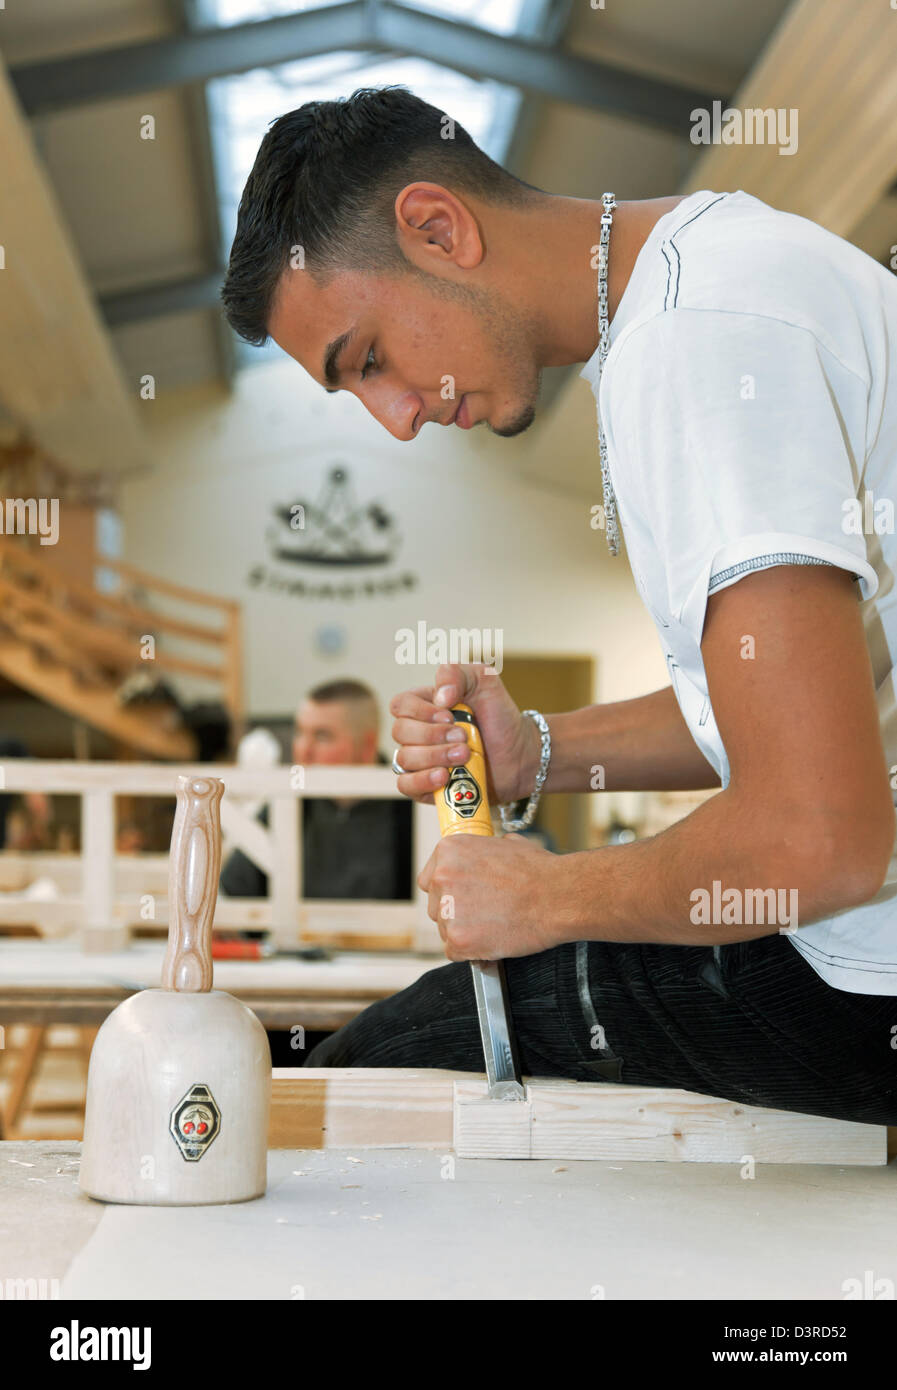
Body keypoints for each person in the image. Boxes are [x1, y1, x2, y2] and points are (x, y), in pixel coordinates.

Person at [219, 88, 897, 1125]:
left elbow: (820, 835)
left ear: (438, 228)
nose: (397, 421)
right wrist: (537, 749)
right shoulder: (718, 269)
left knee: (354, 1091)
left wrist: (544, 895)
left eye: (368, 360)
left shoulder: (696, 343)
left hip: (862, 980)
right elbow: (798, 706)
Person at [219, 678, 412, 902]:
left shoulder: (411, 811)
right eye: (300, 732)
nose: (304, 750)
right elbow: (232, 893)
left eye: (322, 736)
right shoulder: (286, 806)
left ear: (367, 746)